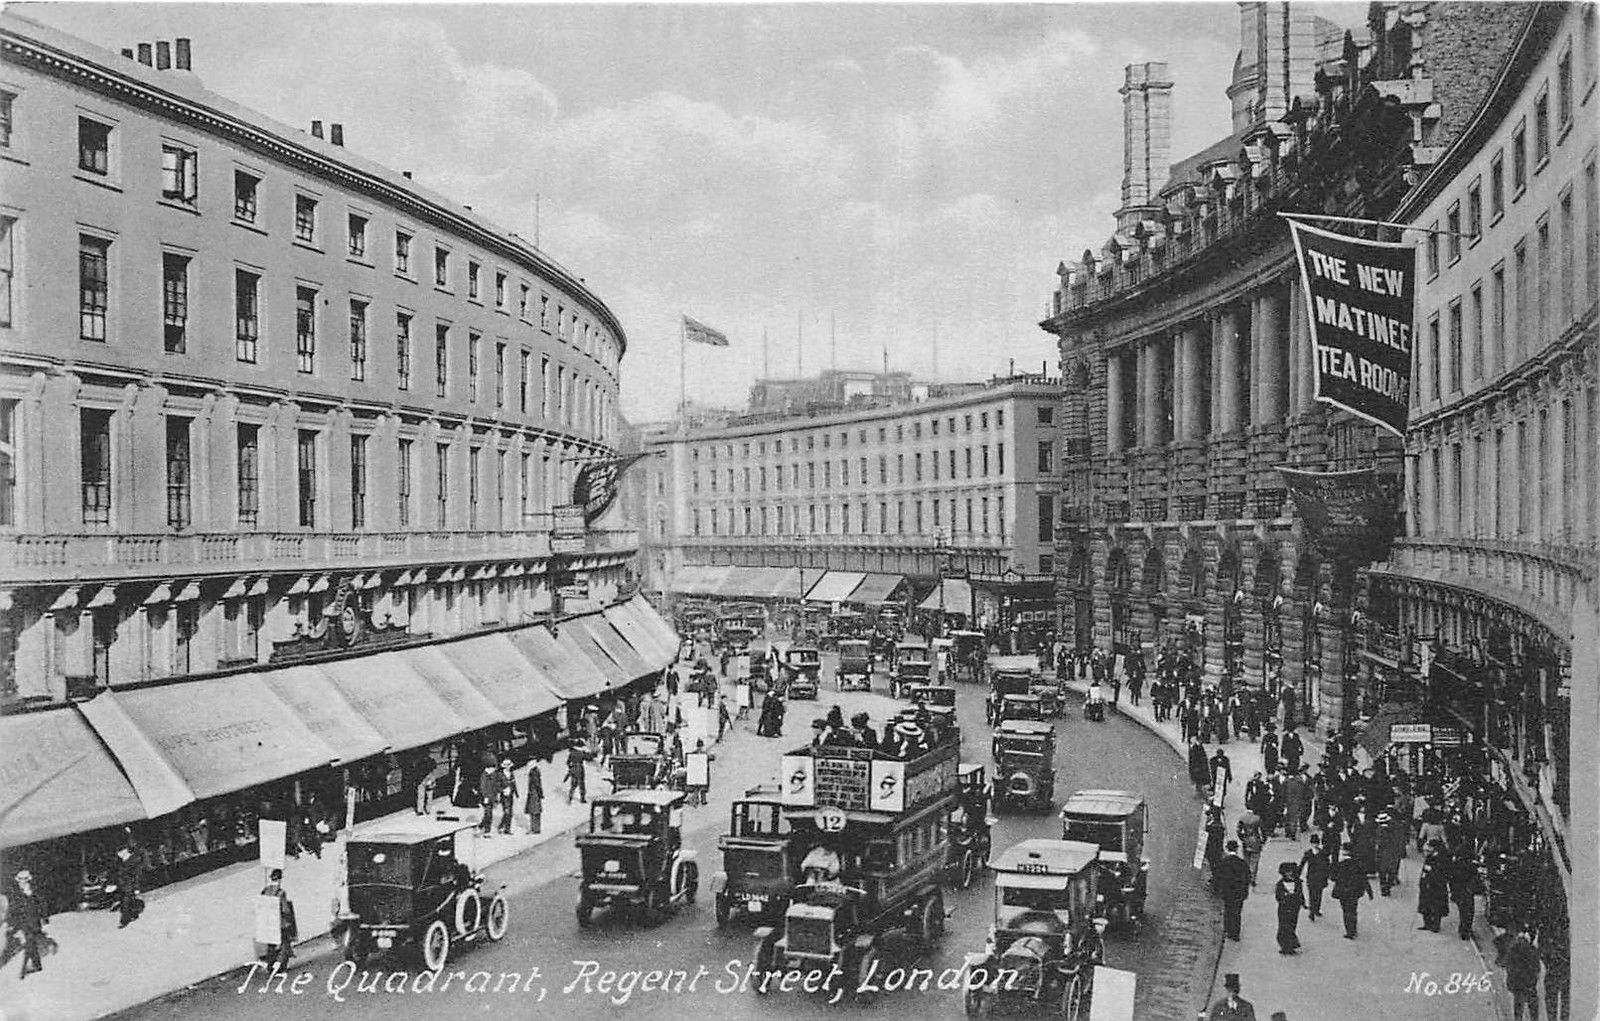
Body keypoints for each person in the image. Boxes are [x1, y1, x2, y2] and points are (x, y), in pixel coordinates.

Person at [4, 869, 49, 979]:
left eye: (24, 880)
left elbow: (42, 905)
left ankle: (29, 968)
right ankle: (32, 966)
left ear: (29, 880)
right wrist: (10, 923)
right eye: (20, 880)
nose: (22, 882)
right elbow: (12, 909)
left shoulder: (35, 893)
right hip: (22, 923)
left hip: (34, 922)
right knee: (29, 943)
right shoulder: (15, 894)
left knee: (31, 943)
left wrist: (45, 919)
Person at [1330, 842, 1373, 939]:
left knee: (1345, 911)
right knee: (1353, 910)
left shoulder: (1340, 864)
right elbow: (1364, 878)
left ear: (1343, 851)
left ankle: (1349, 931)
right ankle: (1353, 928)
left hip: (1343, 892)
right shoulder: (1357, 863)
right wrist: (1369, 892)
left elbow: (1332, 877)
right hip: (1354, 892)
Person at [1500, 924, 1541, 1021]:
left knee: (1518, 1005)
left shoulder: (1513, 948)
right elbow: (1537, 968)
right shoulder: (1532, 950)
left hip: (1517, 983)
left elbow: (1506, 964)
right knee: (1533, 1005)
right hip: (1529, 983)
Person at [259, 868, 297, 970]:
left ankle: (270, 965)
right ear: (280, 879)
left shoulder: (264, 891)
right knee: (285, 943)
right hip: (281, 923)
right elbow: (285, 910)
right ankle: (280, 964)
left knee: (271, 945)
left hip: (269, 922)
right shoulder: (281, 893)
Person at [1213, 840, 1251, 941]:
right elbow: (1247, 878)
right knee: (1237, 912)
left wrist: (1216, 890)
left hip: (1227, 891)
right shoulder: (1242, 863)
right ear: (1236, 849)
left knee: (1228, 910)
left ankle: (1228, 930)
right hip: (1239, 892)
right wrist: (1245, 891)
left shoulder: (1223, 862)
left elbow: (1217, 877)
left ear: (1227, 848)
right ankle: (1235, 933)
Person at [1446, 847, 1480, 940]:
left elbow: (1451, 879)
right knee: (1468, 911)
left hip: (1459, 890)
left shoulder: (1455, 865)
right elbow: (1475, 878)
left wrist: (1453, 892)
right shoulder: (1471, 866)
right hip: (1467, 891)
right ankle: (1465, 929)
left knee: (1463, 910)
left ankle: (1463, 929)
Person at [113, 828, 145, 928]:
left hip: (126, 880)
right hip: (127, 879)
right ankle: (126, 833)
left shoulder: (128, 902)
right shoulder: (128, 902)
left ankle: (124, 833)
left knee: (126, 856)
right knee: (128, 854)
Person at [1416, 846, 1450, 932]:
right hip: (1427, 885)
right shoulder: (1429, 858)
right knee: (1426, 905)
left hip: (1435, 887)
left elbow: (1438, 873)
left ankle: (1435, 925)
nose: (1425, 852)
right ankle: (1427, 924)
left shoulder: (1439, 859)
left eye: (1427, 850)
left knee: (1436, 906)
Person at [1273, 861, 1304, 955]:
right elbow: (1278, 896)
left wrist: (1302, 902)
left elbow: (1300, 894)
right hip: (1284, 908)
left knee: (1292, 925)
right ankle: (1285, 945)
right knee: (1283, 926)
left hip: (1294, 908)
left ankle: (1290, 945)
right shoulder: (1280, 884)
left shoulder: (1298, 882)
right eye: (1287, 872)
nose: (1289, 874)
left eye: (1291, 872)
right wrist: (1285, 898)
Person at [1375, 811, 1406, 895]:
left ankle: (1383, 886)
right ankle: (1388, 886)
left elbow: (1379, 842)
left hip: (1384, 852)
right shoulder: (1398, 827)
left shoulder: (1380, 829)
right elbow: (1401, 840)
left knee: (1382, 870)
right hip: (1394, 852)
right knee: (1392, 870)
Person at [1300, 834, 1330, 921]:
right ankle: (1312, 912)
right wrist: (1297, 874)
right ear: (1311, 843)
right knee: (1312, 895)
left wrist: (1327, 876)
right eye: (1313, 843)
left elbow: (1327, 865)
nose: (1315, 845)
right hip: (1311, 877)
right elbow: (1302, 864)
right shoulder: (1308, 853)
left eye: (1316, 843)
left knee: (1319, 894)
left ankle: (1316, 909)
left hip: (1320, 877)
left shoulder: (1323, 853)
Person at [1236, 809, 1265, 887]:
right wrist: (1263, 840)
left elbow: (1238, 830)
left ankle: (1246, 876)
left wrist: (1242, 838)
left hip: (1246, 840)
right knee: (1254, 861)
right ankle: (1252, 878)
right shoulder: (1257, 819)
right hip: (1255, 841)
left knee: (1246, 860)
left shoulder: (1242, 818)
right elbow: (1262, 830)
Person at [1280, 767, 1308, 841]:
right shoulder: (1300, 782)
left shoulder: (1286, 782)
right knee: (1294, 818)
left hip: (1288, 802)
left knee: (1287, 817)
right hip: (1297, 802)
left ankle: (1288, 832)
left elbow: (1282, 793)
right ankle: (1292, 833)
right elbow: (1304, 792)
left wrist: (1283, 802)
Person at [477, 759, 502, 836]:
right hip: (486, 798)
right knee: (489, 814)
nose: (494, 770)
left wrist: (497, 795)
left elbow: (496, 785)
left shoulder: (494, 774)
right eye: (493, 768)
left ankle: (481, 826)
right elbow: (482, 787)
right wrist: (485, 797)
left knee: (488, 814)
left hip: (492, 797)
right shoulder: (484, 776)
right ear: (489, 768)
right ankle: (487, 832)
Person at [496, 759, 518, 835]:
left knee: (510, 812)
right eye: (507, 766)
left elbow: (514, 783)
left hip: (510, 795)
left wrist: (516, 793)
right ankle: (501, 826)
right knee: (507, 811)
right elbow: (498, 785)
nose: (508, 767)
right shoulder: (500, 775)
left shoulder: (511, 773)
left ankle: (507, 829)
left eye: (509, 766)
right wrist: (502, 791)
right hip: (504, 796)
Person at [524, 758, 544, 835]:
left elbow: (536, 784)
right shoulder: (536, 771)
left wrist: (539, 793)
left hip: (533, 793)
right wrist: (541, 793)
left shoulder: (533, 772)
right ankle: (537, 828)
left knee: (533, 812)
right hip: (535, 793)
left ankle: (534, 828)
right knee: (536, 812)